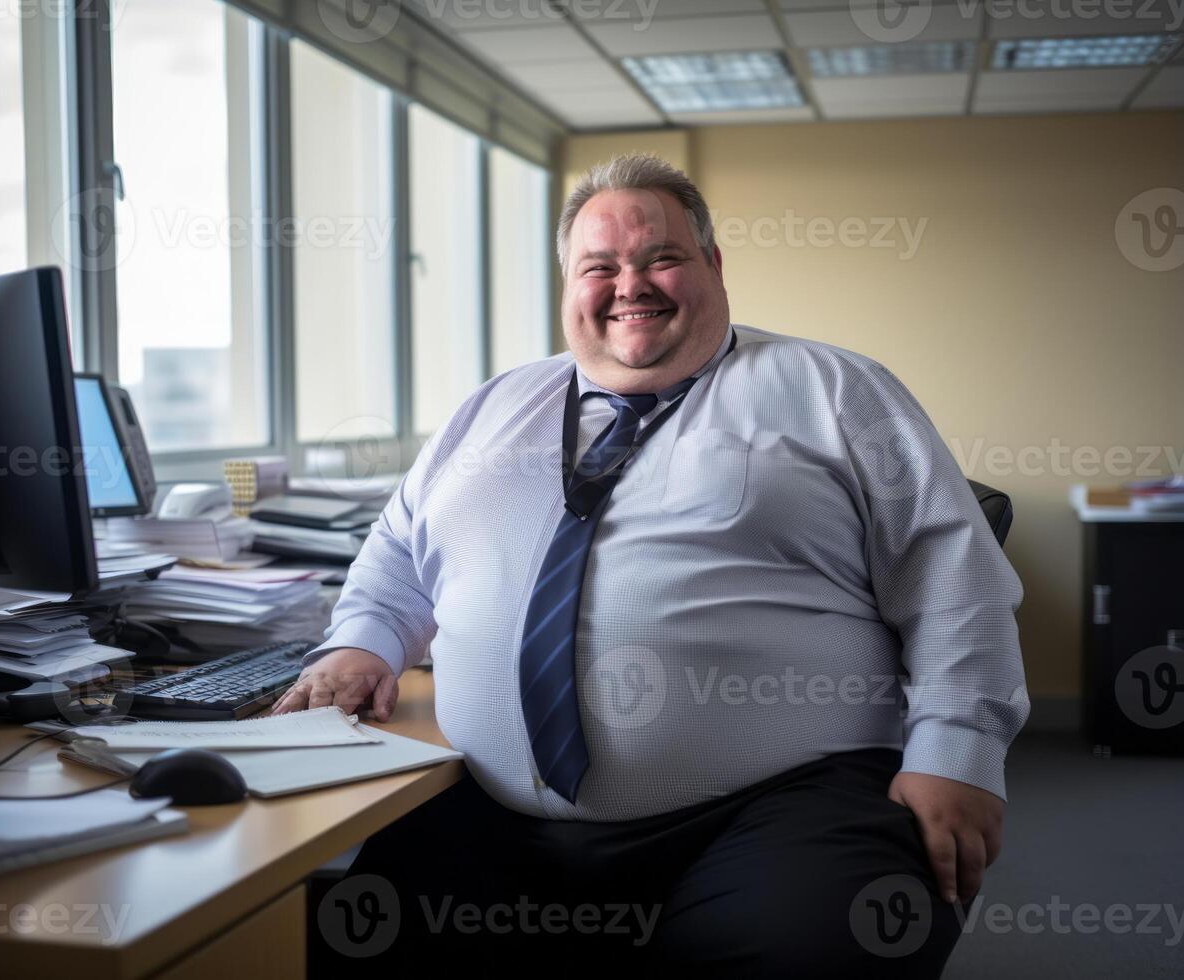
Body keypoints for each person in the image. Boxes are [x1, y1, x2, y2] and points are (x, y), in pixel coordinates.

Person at [275, 154, 1028, 977]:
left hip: (783, 802)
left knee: (814, 950)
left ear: (712, 265)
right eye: (599, 266)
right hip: (495, 812)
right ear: (569, 285)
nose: (629, 284)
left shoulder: (833, 389)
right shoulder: (490, 408)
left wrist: (957, 750)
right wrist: (361, 643)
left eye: (659, 257)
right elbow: (396, 551)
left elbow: (953, 571)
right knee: (345, 932)